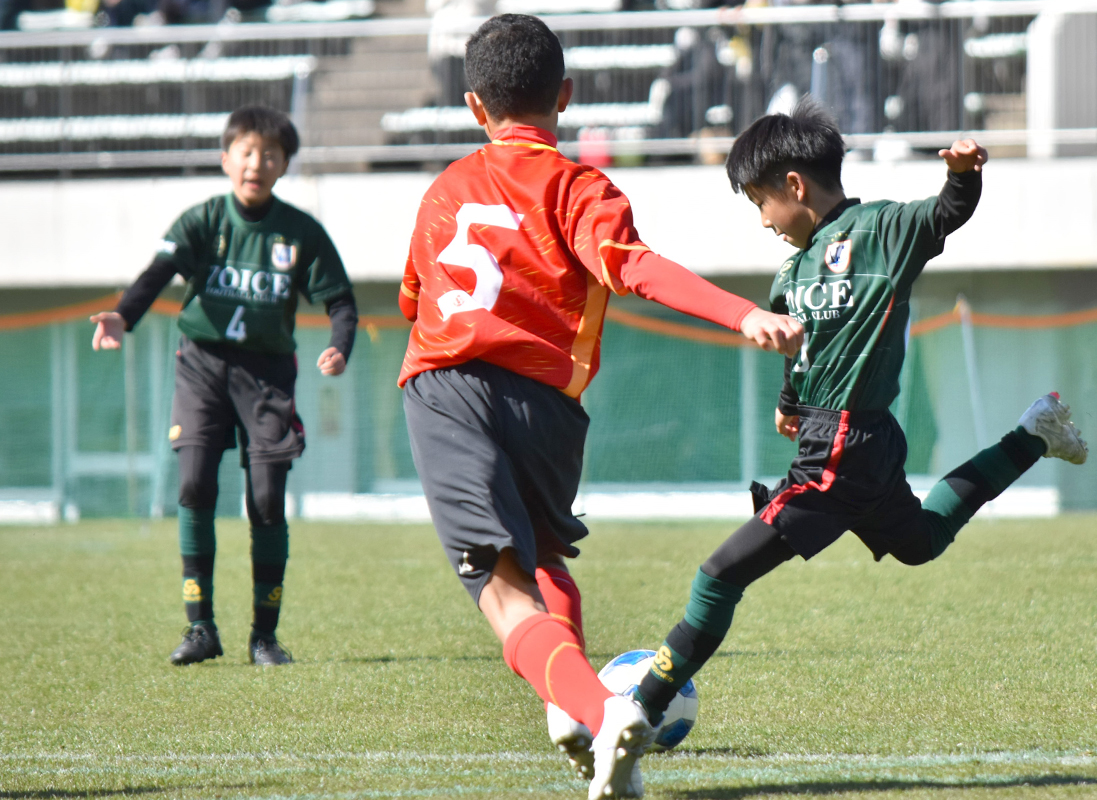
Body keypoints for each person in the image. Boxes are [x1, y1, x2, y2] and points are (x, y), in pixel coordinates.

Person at [396, 14, 802, 800]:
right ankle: (570, 714)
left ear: (475, 107)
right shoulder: (582, 187)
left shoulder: (446, 190)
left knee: (504, 593)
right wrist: (743, 313)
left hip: (448, 388)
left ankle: (601, 709)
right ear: (567, 97)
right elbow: (637, 268)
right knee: (544, 563)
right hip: (548, 405)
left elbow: (417, 299)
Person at [624, 99, 1090, 782]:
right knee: (921, 541)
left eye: (760, 202)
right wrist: (790, 402)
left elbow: (944, 215)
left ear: (793, 186)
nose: (761, 220)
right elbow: (798, 346)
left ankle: (635, 711)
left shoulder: (881, 229)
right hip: (842, 439)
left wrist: (964, 174)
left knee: (717, 576)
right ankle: (1031, 436)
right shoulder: (792, 273)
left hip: (845, 445)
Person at [90, 105, 357, 668]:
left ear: (284, 166)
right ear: (226, 158)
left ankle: (264, 637)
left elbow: (341, 301)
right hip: (202, 366)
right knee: (193, 485)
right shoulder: (202, 221)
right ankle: (200, 628)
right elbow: (156, 275)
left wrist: (339, 344)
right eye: (246, 151)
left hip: (267, 375)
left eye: (269, 154)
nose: (256, 163)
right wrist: (123, 316)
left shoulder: (300, 232)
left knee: (265, 500)